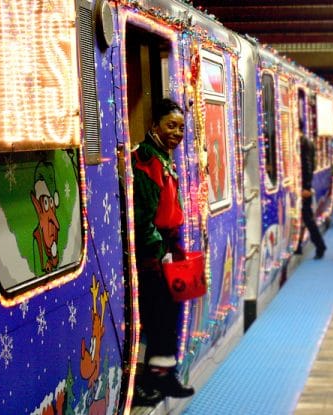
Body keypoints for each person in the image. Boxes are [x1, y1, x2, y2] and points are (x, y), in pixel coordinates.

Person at [132, 98, 194, 405]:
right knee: (154, 320)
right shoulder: (147, 159)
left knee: (169, 318)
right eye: (171, 125)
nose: (177, 132)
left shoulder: (163, 157)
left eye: (181, 127)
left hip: (168, 248)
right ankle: (146, 382)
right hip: (154, 254)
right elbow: (143, 216)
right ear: (154, 126)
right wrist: (156, 256)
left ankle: (165, 376)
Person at [299, 135, 326, 259]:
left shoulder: (303, 143)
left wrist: (306, 187)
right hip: (303, 186)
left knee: (307, 217)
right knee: (306, 217)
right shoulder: (306, 142)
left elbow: (307, 166)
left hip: (304, 188)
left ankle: (320, 245)